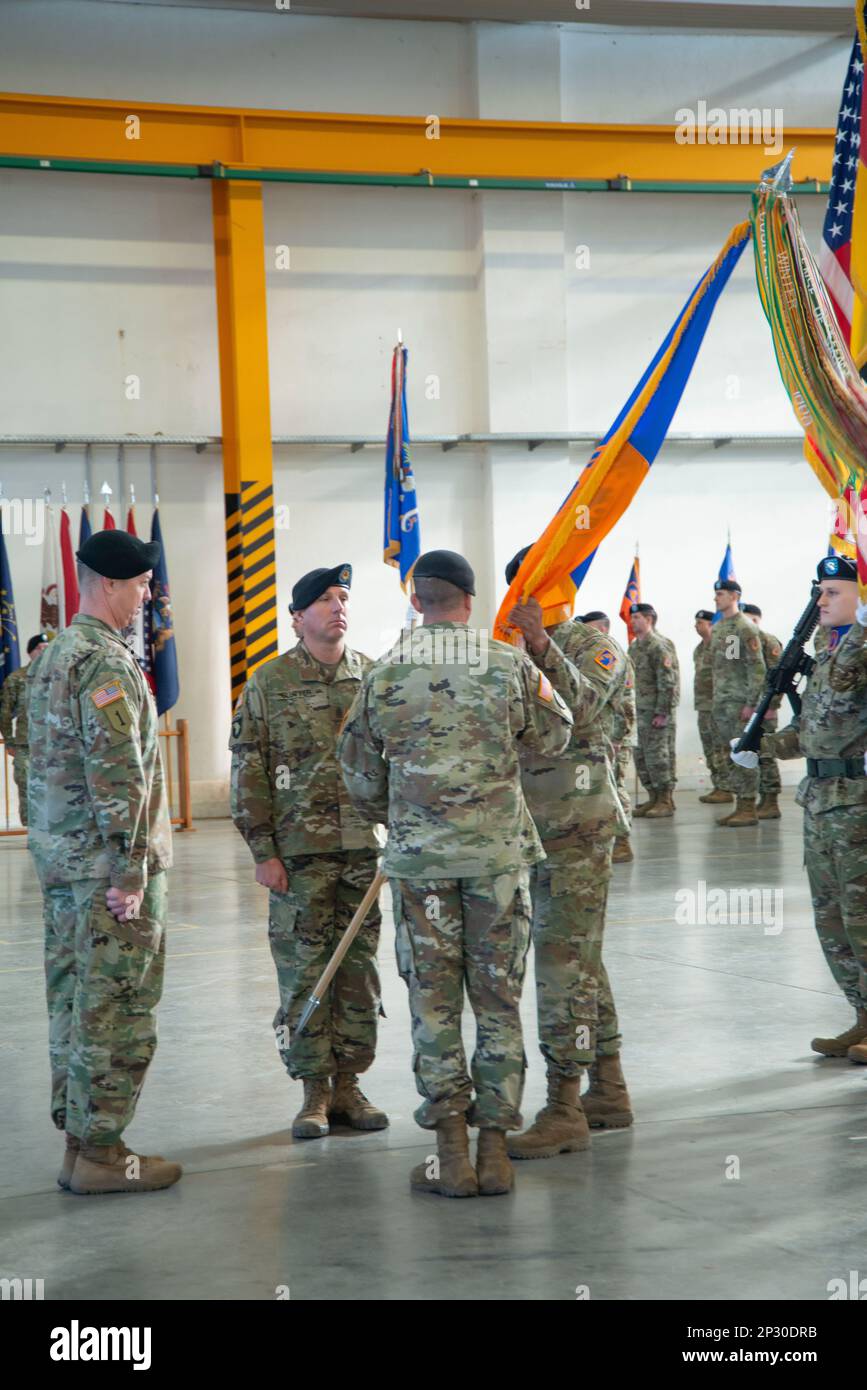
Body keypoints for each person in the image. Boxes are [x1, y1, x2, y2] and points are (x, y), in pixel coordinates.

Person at [338, 549, 573, 1199]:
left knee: (433, 1002)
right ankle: (494, 1150)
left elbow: (356, 773)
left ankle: (450, 1152)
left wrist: (405, 820)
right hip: (496, 864)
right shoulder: (508, 663)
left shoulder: (384, 673)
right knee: (497, 1001)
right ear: (468, 600)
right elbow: (555, 738)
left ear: (417, 601)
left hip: (420, 866)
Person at [27, 530, 177, 1195]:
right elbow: (120, 777)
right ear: (111, 585)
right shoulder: (106, 664)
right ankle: (103, 1153)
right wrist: (130, 873)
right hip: (102, 877)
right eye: (142, 586)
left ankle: (77, 1143)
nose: (147, 596)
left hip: (64, 866)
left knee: (74, 1006)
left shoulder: (55, 656)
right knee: (116, 1010)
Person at [229, 563, 387, 1140]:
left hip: (363, 856)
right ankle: (314, 1092)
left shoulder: (372, 676)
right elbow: (249, 772)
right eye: (323, 599)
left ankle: (351, 1086)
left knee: (359, 972)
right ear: (297, 618)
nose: (337, 606)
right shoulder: (268, 684)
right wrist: (262, 850)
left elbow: (391, 760)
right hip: (298, 857)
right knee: (304, 974)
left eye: (343, 596)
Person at [502, 563, 633, 1158]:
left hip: (579, 826)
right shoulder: (510, 649)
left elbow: (580, 708)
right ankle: (608, 1087)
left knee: (563, 965)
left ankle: (565, 1105)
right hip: (532, 827)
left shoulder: (591, 643)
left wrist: (540, 643)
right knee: (579, 959)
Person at [733, 555, 867, 1061]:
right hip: (821, 802)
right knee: (831, 919)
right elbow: (813, 731)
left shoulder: (861, 649)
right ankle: (862, 1015)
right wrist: (758, 744)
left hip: (859, 803)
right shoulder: (826, 651)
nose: (822, 601)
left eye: (833, 592)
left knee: (864, 917)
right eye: (820, 592)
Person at [579, 612, 636, 863]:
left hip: (616, 734)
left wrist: (618, 737)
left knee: (616, 787)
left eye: (590, 630)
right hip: (604, 733)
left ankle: (623, 841)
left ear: (603, 629)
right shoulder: (592, 656)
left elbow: (626, 703)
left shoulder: (611, 655)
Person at [709, 578, 766, 827]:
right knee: (728, 754)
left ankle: (747, 806)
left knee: (742, 753)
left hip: (739, 701)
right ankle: (739, 803)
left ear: (734, 596)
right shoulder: (720, 628)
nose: (716, 598)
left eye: (720, 594)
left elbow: (757, 668)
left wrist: (752, 703)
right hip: (721, 701)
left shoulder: (745, 627)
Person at [629, 602, 679, 818]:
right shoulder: (634, 646)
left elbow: (668, 681)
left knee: (659, 757)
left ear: (649, 619)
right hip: (639, 711)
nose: (632, 621)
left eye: (637, 618)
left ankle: (665, 799)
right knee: (642, 757)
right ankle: (653, 797)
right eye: (632, 618)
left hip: (656, 713)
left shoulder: (658, 645)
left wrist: (662, 712)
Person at [0, 632, 48, 827]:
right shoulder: (16, 678)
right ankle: (32, 832)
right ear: (30, 652)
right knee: (27, 787)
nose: (43, 653)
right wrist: (9, 741)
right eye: (39, 649)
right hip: (25, 746)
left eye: (47, 649)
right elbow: (4, 713)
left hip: (54, 746)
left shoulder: (58, 677)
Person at [741, 603, 784, 820]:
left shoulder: (768, 641)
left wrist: (772, 705)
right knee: (749, 754)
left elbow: (779, 676)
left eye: (751, 620)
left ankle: (770, 800)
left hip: (764, 708)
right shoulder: (737, 642)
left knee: (766, 753)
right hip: (745, 708)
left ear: (758, 620)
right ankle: (753, 799)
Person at [692, 610, 731, 806]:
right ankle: (717, 785)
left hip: (719, 706)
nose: (696, 626)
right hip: (703, 706)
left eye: (700, 622)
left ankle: (726, 787)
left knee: (720, 747)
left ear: (711, 625)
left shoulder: (721, 646)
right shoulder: (699, 649)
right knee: (709, 748)